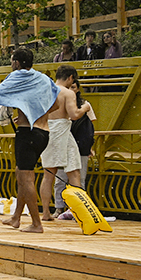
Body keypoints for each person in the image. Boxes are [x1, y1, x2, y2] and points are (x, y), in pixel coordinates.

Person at [0, 46, 60, 233]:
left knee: (26, 178)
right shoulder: (42, 78)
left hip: (27, 133)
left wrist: (19, 107)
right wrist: (33, 112)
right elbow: (56, 102)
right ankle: (16, 217)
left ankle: (36, 224)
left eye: (11, 61)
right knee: (21, 173)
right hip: (44, 133)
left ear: (16, 62)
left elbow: (0, 92)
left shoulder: (18, 76)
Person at [39, 65, 93, 220]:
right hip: (62, 130)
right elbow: (74, 115)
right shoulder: (68, 93)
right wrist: (85, 108)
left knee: (48, 175)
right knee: (74, 173)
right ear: (70, 77)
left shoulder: (45, 91)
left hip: (47, 130)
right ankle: (78, 212)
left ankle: (46, 213)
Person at [55, 74, 96, 214]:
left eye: (73, 87)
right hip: (62, 141)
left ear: (78, 89)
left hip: (80, 144)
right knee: (59, 178)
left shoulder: (84, 104)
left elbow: (90, 127)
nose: (70, 89)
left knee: (79, 177)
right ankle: (59, 207)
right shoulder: (61, 99)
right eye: (69, 87)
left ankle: (78, 209)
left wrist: (89, 146)